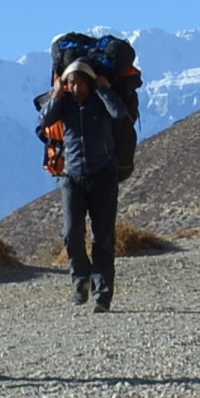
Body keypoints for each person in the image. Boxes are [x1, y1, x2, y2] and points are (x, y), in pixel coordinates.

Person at [38, 57, 134, 312]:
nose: (75, 87)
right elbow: (44, 123)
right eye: (71, 82)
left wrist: (104, 89)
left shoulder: (101, 103)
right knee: (71, 233)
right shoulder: (64, 105)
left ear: (89, 82)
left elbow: (119, 112)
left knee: (102, 238)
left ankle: (102, 296)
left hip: (103, 176)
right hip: (72, 178)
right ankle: (81, 280)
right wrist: (57, 95)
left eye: (80, 81)